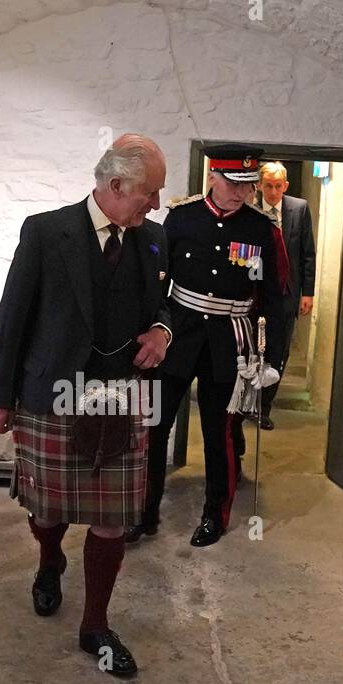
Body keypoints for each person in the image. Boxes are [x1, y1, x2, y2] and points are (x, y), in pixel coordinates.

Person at [0, 134, 173, 678]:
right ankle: (50, 559)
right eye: (149, 192)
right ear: (115, 185)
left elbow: (165, 304)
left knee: (113, 519)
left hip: (121, 399)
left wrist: (162, 330)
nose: (156, 204)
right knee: (46, 511)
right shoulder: (46, 232)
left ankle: (95, 625)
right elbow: (14, 314)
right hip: (52, 396)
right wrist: (0, 396)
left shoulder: (152, 240)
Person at [127, 144, 285, 548]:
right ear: (212, 176)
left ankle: (215, 514)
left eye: (248, 186)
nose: (241, 193)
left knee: (221, 434)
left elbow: (274, 297)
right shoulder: (182, 218)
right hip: (178, 333)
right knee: (155, 425)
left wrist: (270, 358)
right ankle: (143, 511)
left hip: (229, 340)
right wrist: (149, 330)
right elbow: (157, 281)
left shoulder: (263, 230)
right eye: (232, 183)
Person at [255, 161, 315, 429]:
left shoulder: (298, 209)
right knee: (252, 350)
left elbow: (307, 253)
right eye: (268, 185)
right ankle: (246, 402)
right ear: (259, 185)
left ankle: (264, 407)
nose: (273, 191)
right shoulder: (250, 210)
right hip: (255, 295)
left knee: (278, 352)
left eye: (278, 186)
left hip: (286, 293)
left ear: (285, 186)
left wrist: (308, 293)